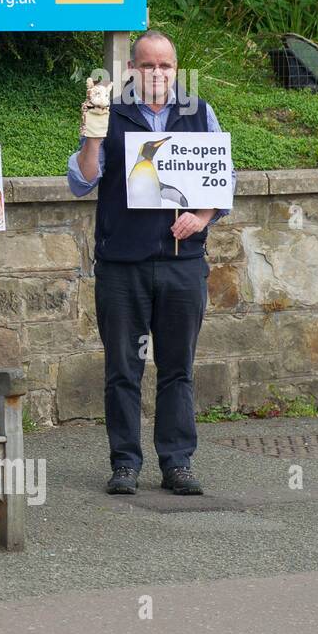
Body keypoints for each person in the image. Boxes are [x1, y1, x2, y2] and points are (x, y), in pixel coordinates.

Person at [68, 29, 228, 496]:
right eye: (147, 65)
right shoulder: (108, 112)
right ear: (131, 70)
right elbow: (82, 181)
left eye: (165, 66)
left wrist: (201, 217)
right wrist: (92, 137)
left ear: (176, 70)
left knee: (178, 367)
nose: (157, 73)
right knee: (123, 368)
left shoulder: (199, 113)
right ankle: (124, 463)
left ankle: (177, 462)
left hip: (182, 263)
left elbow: (224, 177)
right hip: (122, 264)